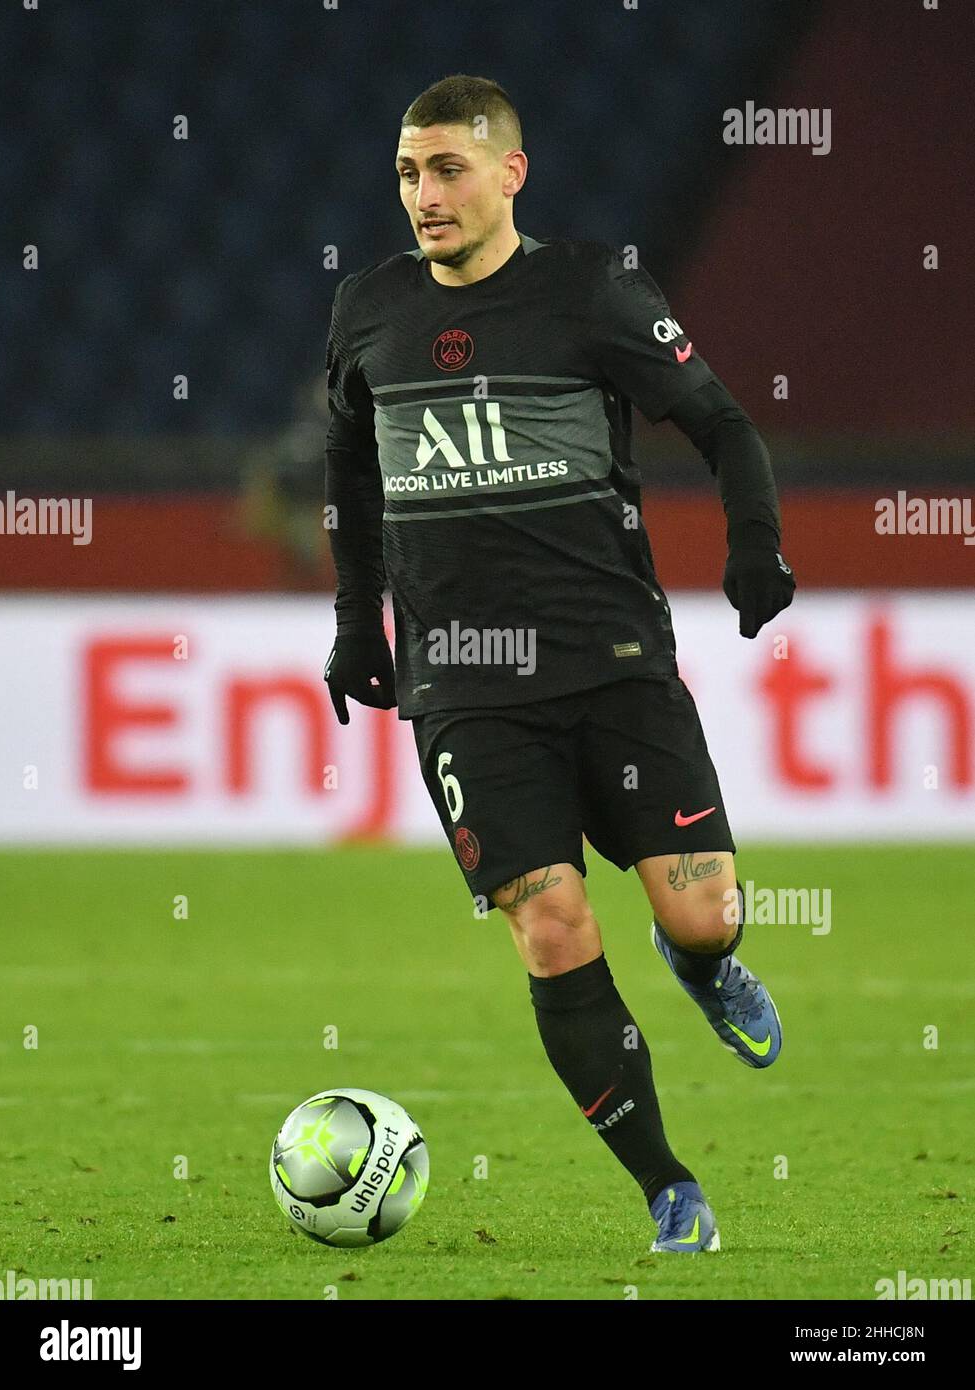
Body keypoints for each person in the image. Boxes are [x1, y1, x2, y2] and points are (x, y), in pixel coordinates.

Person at [323, 74, 795, 1253]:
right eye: (405, 173)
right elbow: (350, 478)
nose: (421, 196)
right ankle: (667, 1185)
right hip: (466, 688)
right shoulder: (367, 312)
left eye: (445, 169)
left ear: (507, 174)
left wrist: (754, 551)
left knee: (702, 911)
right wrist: (354, 623)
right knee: (548, 925)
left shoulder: (591, 289)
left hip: (612, 658)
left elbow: (723, 421)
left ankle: (701, 962)